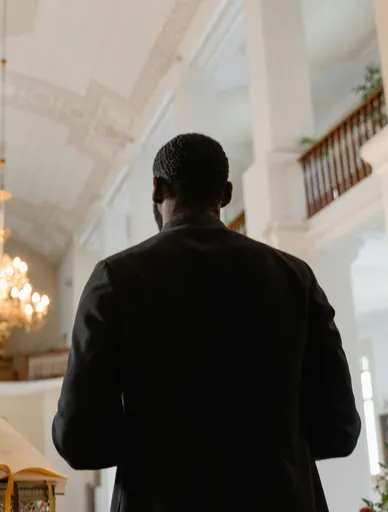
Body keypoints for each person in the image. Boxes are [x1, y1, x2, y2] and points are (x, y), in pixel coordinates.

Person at [52, 133, 361, 512]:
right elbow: (340, 432)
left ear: (157, 188)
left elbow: (79, 441)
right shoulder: (294, 277)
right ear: (227, 193)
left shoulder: (116, 279)